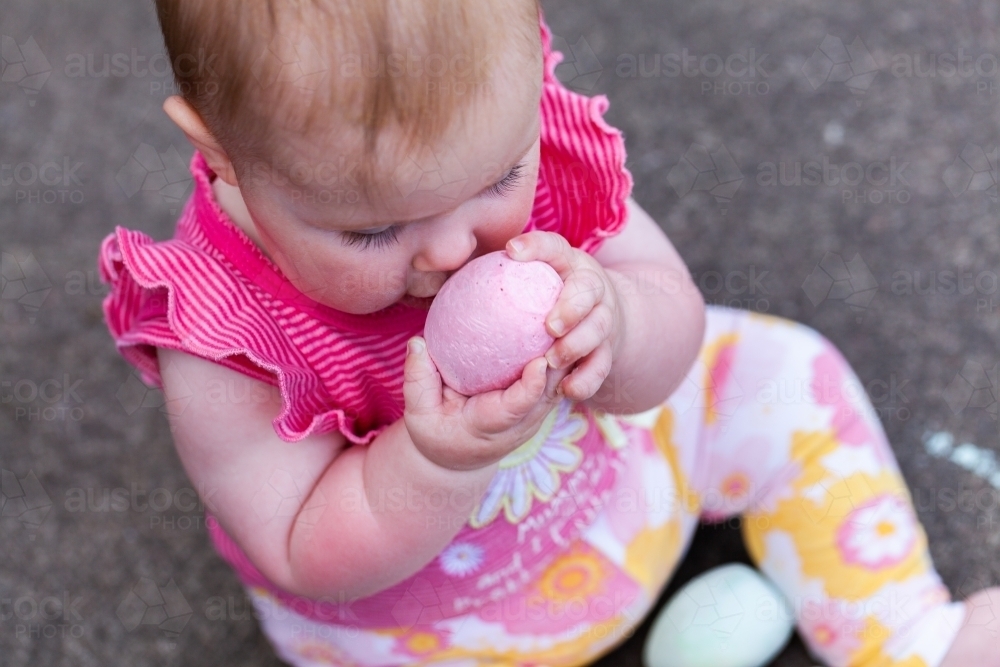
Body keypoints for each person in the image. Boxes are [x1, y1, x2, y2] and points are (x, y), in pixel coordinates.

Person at [98, 1, 1000, 665]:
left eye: (497, 177)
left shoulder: (537, 141)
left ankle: (908, 634)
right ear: (221, 151)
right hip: (445, 628)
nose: (456, 250)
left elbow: (669, 321)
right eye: (372, 230)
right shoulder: (221, 330)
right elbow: (300, 548)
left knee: (780, 372)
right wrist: (435, 462)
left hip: (635, 475)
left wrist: (616, 312)